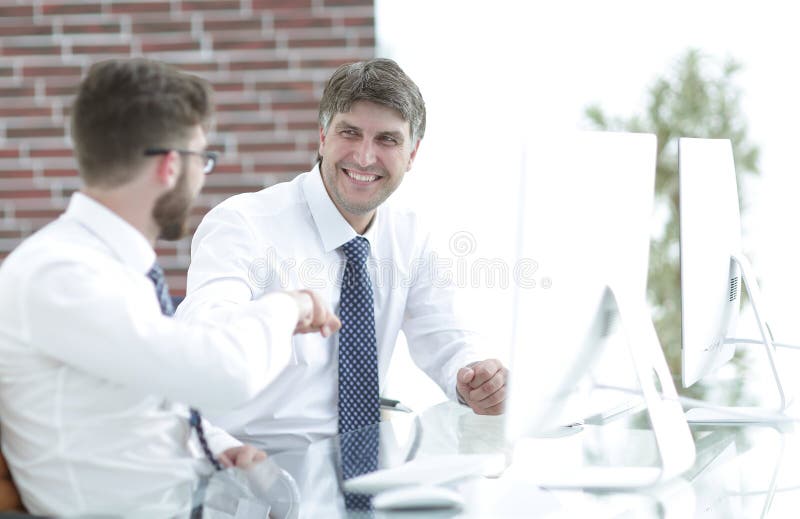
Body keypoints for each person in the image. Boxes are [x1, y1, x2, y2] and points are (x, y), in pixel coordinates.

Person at [0, 58, 339, 517]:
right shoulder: (61, 275)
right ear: (170, 166)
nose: (203, 176)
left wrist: (211, 445)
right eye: (204, 159)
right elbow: (225, 375)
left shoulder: (107, 268)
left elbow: (136, 396)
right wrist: (288, 305)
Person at [176, 58, 508, 452]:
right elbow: (205, 337)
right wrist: (279, 314)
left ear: (413, 153)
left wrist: (477, 378)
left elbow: (449, 339)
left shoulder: (410, 236)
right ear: (322, 136)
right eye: (350, 133)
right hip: (250, 475)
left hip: (365, 476)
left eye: (387, 140)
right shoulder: (243, 224)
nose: (365, 157)